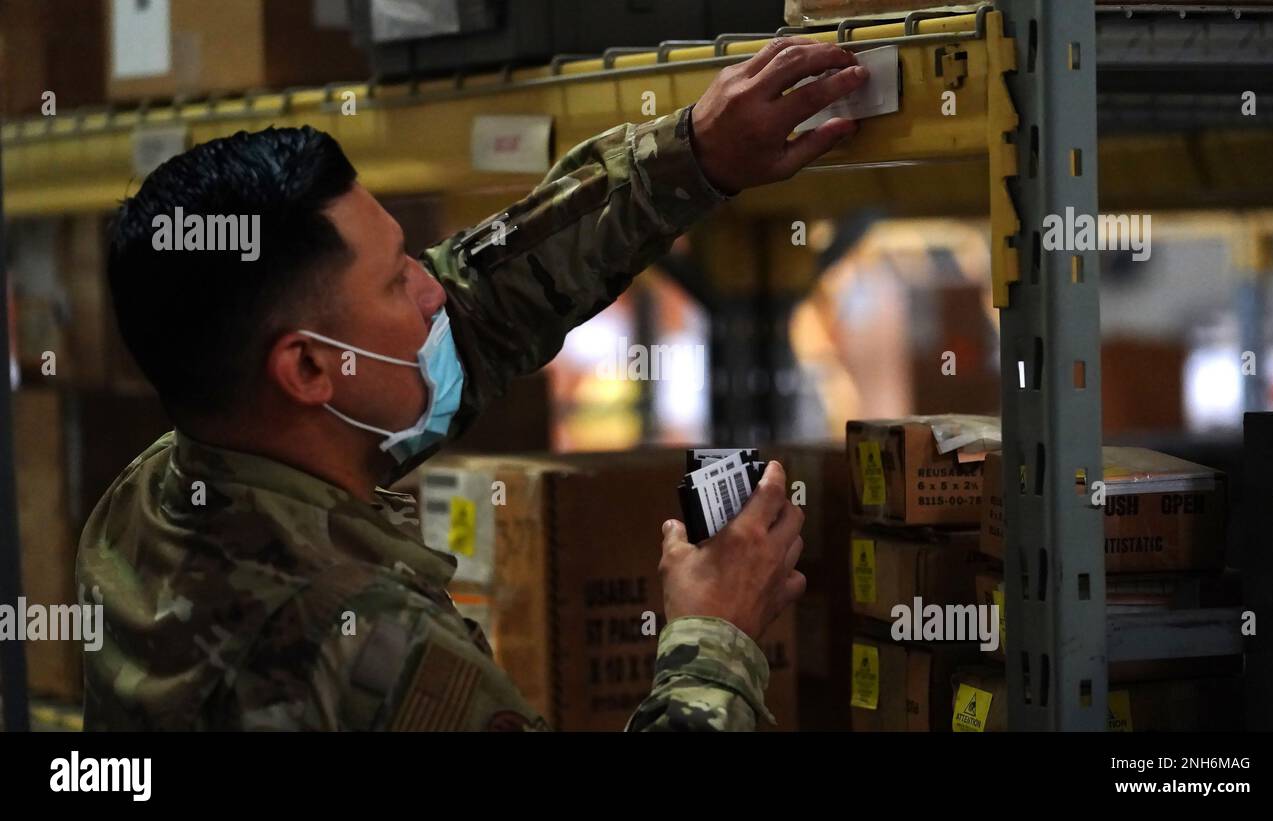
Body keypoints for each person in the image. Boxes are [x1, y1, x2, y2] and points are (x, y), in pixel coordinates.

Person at [78, 38, 868, 731]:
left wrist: (688, 157)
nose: (432, 290)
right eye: (395, 282)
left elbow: (482, 302)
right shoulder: (376, 649)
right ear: (311, 369)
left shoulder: (155, 496)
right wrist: (716, 635)